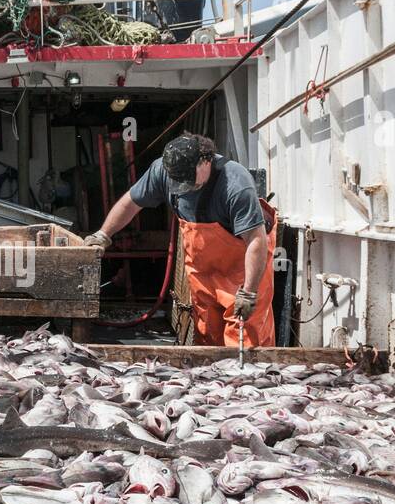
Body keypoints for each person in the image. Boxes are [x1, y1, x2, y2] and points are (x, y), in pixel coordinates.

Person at [85, 133, 276, 347]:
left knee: (245, 338)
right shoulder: (163, 169)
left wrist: (249, 292)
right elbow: (130, 203)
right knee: (207, 336)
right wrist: (103, 235)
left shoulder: (235, 183)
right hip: (204, 272)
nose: (181, 187)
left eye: (187, 182)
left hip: (243, 269)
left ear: (205, 161)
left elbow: (255, 240)